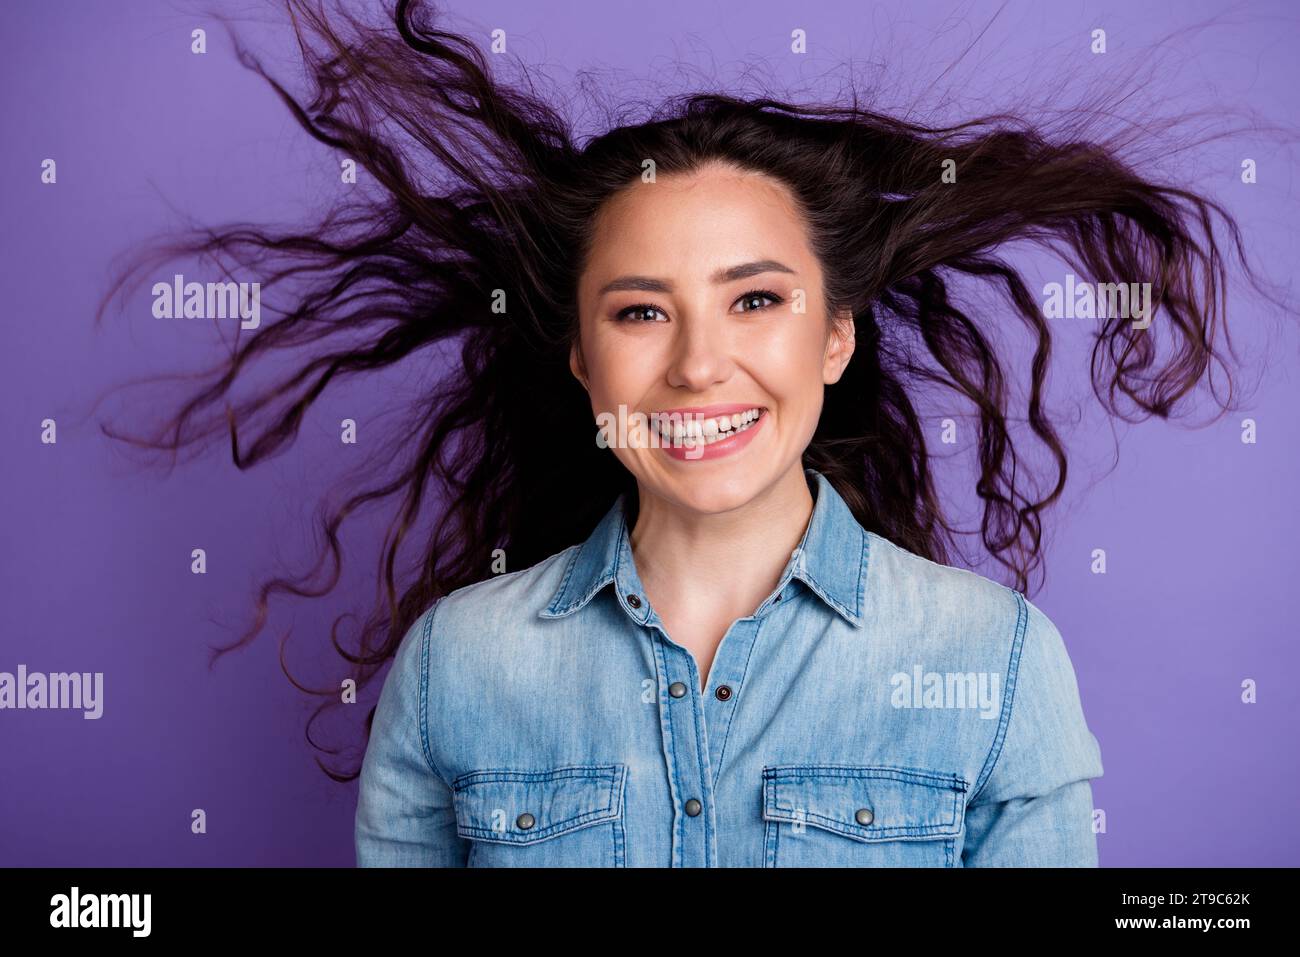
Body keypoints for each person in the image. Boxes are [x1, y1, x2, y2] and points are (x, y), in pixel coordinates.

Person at [104, 0, 1258, 866]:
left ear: (835, 341)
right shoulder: (458, 668)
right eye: (641, 311)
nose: (699, 364)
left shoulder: (993, 662)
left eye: (756, 300)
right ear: (578, 353)